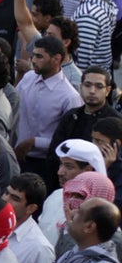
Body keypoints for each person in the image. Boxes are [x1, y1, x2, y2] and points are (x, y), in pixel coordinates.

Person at [15, 35, 83, 176]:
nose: (33, 60)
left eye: (40, 57)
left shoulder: (70, 97)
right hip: (16, 157)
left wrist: (35, 142)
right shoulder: (28, 78)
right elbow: (13, 108)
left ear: (56, 59)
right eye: (33, 55)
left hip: (44, 165)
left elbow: (69, 140)